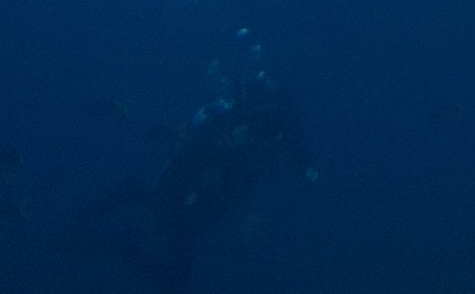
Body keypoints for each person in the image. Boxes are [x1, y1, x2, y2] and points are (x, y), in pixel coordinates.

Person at [76, 71, 310, 291]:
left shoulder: (238, 126)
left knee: (170, 257)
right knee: (175, 274)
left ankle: (107, 238)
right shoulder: (248, 135)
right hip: (188, 203)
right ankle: (111, 240)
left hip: (183, 200)